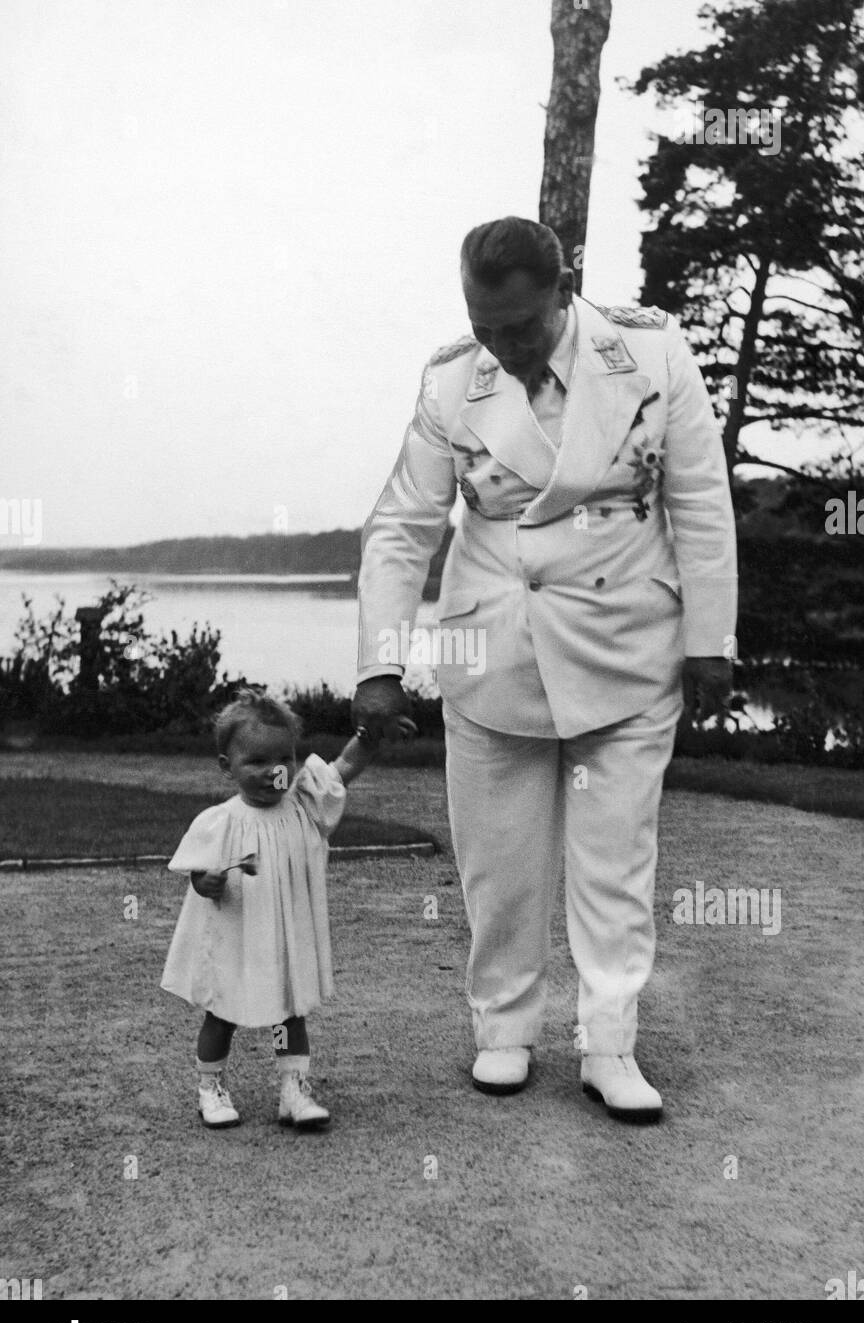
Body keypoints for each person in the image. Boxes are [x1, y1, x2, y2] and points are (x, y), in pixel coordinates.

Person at [352, 216, 737, 1122]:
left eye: (520, 328)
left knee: (616, 863)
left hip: (627, 642)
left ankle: (610, 1045)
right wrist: (382, 663)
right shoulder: (453, 379)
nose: (503, 347)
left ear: (566, 289)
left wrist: (710, 642)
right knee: (499, 864)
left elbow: (699, 499)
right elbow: (406, 525)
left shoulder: (650, 353)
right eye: (484, 326)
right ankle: (504, 1031)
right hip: (493, 649)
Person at [161, 689, 375, 1130]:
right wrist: (206, 881)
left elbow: (343, 769)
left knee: (287, 1013)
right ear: (228, 767)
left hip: (283, 936)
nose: (274, 771)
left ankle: (292, 1089)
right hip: (236, 939)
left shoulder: (301, 806)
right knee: (222, 1014)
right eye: (256, 762)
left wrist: (369, 735)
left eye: (284, 758)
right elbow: (198, 877)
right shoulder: (221, 821)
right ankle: (211, 1087)